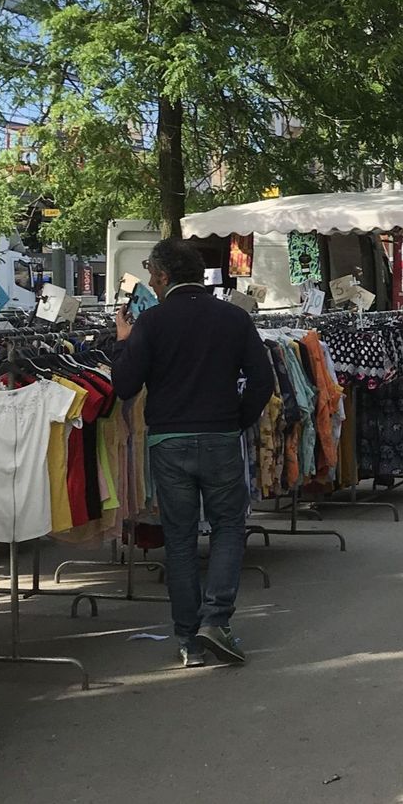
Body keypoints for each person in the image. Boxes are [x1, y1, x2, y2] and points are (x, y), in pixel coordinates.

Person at [113, 237, 276, 669]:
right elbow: (263, 380)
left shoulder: (152, 323)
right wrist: (236, 420)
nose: (150, 282)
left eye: (152, 274)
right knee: (228, 528)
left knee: (180, 538)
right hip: (220, 436)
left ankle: (189, 640)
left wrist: (123, 342)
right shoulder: (233, 318)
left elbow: (125, 386)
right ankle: (216, 619)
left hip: (168, 441)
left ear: (164, 276)